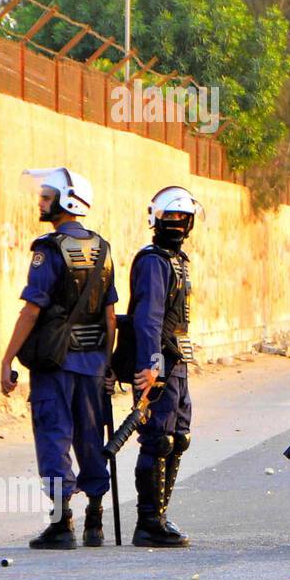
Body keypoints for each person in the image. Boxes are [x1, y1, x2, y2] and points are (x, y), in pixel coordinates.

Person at [0, 168, 117, 550]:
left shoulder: (47, 250)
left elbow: (32, 310)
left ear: (67, 200)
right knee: (91, 436)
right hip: (93, 361)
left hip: (55, 362)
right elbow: (111, 316)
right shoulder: (103, 248)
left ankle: (61, 522)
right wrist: (106, 363)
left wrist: (7, 359)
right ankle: (95, 521)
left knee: (53, 436)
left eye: (48, 195)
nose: (41, 200)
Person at [121, 186, 205, 547]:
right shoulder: (153, 261)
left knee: (178, 438)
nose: (176, 223)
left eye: (182, 218)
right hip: (160, 361)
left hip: (178, 359)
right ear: (156, 219)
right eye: (170, 217)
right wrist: (150, 366)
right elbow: (148, 318)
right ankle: (148, 523)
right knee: (157, 438)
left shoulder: (178, 260)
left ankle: (162, 514)